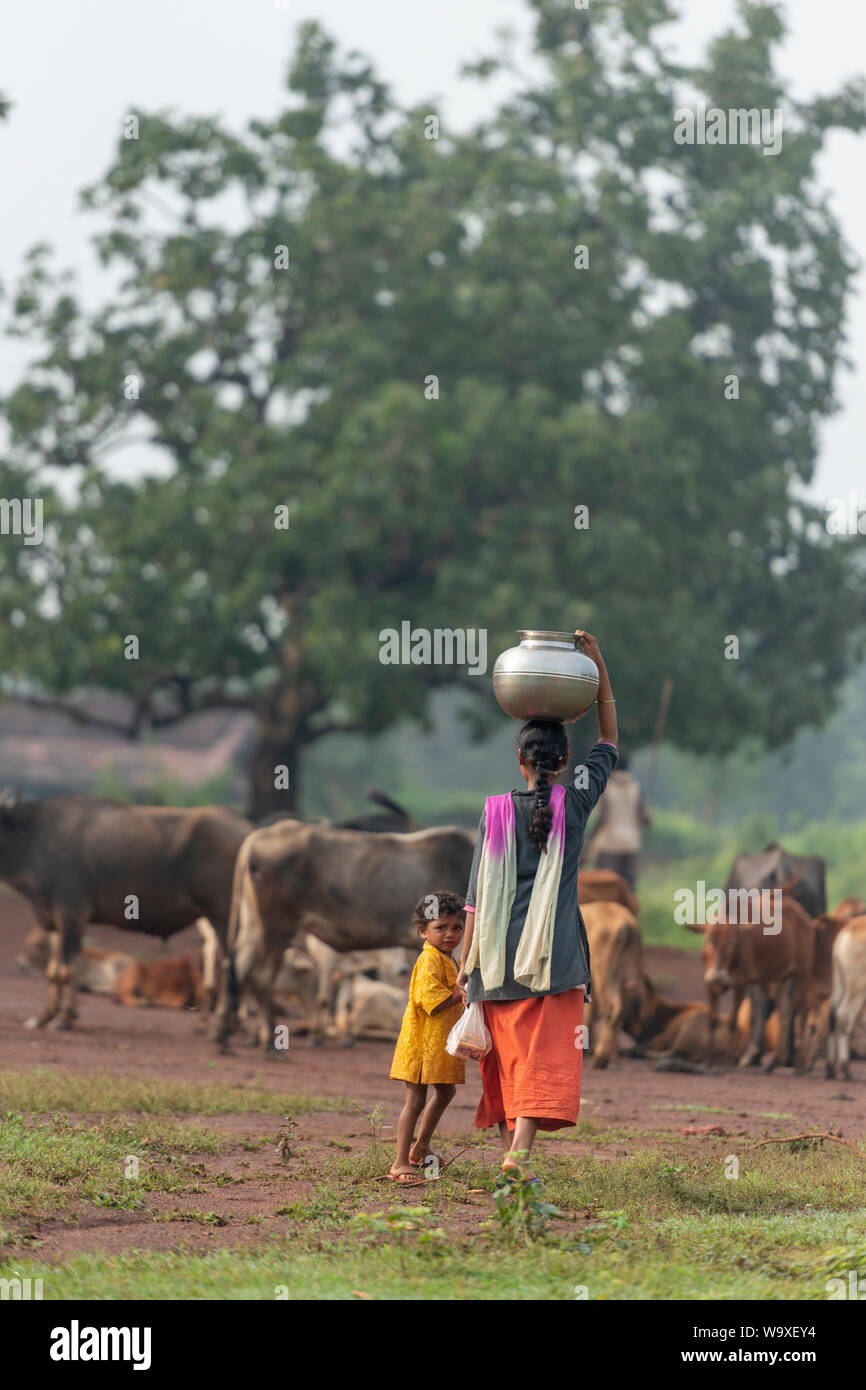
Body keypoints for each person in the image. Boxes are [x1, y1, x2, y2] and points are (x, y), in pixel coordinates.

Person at [456, 629, 618, 1185]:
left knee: (506, 1059)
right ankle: (516, 1156)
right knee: (541, 1058)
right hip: (553, 960)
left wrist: (464, 962)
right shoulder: (576, 802)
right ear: (566, 759)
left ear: (518, 758)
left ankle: (512, 1155)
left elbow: (475, 897)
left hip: (497, 959)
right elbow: (612, 740)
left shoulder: (494, 811)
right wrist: (597, 667)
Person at [388, 891, 466, 1184]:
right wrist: (460, 994)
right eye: (440, 928)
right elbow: (427, 997)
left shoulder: (448, 959)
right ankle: (399, 1162)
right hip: (421, 1043)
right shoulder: (429, 959)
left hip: (439, 1043)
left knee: (446, 1092)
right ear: (422, 931)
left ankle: (421, 1148)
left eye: (457, 928)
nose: (450, 934)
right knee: (415, 1100)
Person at [585, 750, 650, 889]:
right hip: (631, 844)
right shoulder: (635, 786)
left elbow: (602, 817)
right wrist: (647, 819)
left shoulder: (606, 787)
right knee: (627, 890)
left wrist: (591, 840)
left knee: (606, 890)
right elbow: (643, 817)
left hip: (609, 844)